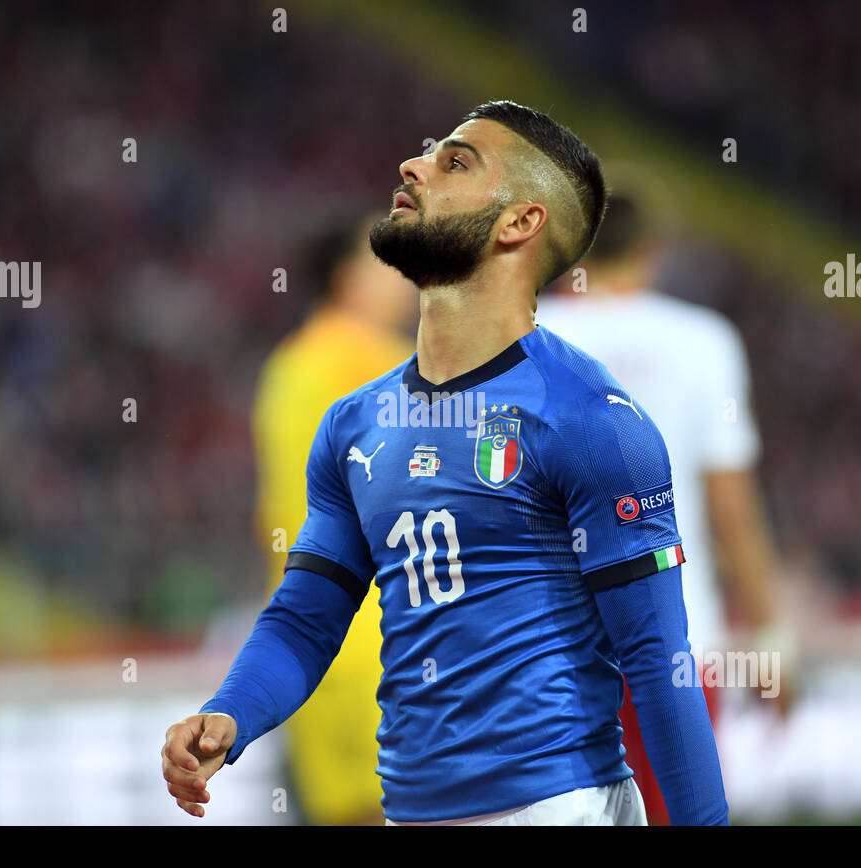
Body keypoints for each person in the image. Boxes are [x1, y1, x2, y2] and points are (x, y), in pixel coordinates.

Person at [162, 100, 728, 825]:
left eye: (455, 162)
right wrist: (229, 714)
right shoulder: (353, 424)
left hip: (557, 808)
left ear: (519, 221)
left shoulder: (590, 421)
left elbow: (658, 665)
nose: (412, 166)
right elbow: (307, 619)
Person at [538, 189, 790, 825]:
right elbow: (732, 510)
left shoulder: (526, 338)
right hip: (676, 642)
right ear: (654, 250)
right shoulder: (702, 341)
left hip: (544, 653)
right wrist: (770, 640)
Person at [251, 214, 414, 825]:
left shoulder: (286, 369)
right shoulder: (388, 366)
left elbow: (267, 514)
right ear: (350, 278)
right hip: (391, 640)